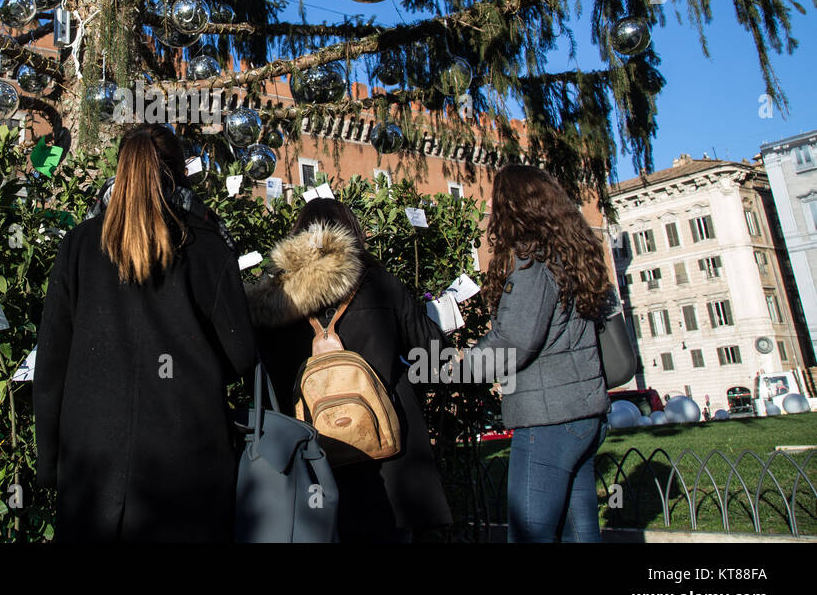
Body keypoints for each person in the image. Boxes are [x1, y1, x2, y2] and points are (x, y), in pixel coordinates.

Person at [34, 123, 257, 541]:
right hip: (186, 468)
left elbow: (51, 365)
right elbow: (242, 355)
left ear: (120, 171)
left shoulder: (79, 246)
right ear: (182, 174)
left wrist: (50, 461)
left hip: (90, 469)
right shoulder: (206, 247)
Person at [245, 198, 453, 542]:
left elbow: (265, 375)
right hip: (392, 462)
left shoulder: (273, 302)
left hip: (314, 459)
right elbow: (435, 357)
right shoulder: (381, 285)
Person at [466, 164, 612, 542]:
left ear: (513, 208)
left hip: (549, 421)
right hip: (585, 413)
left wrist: (457, 366)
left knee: (530, 534)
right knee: (581, 533)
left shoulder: (533, 265)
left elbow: (513, 343)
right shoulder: (574, 258)